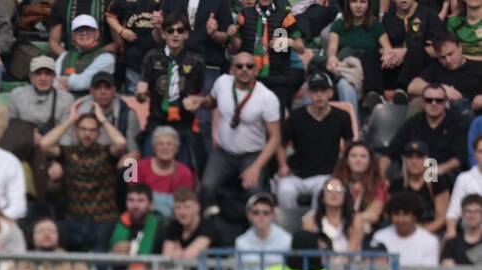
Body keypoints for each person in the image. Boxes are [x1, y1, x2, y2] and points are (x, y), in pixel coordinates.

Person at [199, 52, 281, 213]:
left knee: (255, 195)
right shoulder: (222, 82)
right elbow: (212, 102)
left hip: (252, 155)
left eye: (250, 66)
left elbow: (275, 138)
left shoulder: (267, 97)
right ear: (232, 70)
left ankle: (258, 233)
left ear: (256, 71)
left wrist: (257, 167)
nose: (244, 70)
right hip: (223, 152)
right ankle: (208, 225)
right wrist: (200, 102)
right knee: (206, 187)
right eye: (239, 66)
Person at [41, 96, 126, 251]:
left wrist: (103, 120)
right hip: (74, 221)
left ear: (98, 134)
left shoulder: (107, 152)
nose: (87, 134)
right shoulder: (67, 152)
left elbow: (121, 143)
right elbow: (45, 144)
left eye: (92, 130)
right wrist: (71, 120)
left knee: (100, 267)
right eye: (83, 129)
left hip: (104, 221)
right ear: (76, 132)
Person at [136, 13, 204, 170]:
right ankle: (135, 189)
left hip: (183, 126)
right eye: (170, 30)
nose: (175, 34)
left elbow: (200, 94)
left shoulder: (196, 62)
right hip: (157, 123)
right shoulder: (152, 57)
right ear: (163, 34)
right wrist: (140, 94)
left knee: (187, 171)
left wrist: (196, 101)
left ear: (186, 34)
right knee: (141, 168)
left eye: (180, 31)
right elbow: (141, 96)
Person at [274, 71, 351, 209]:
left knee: (324, 192)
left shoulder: (342, 117)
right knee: (284, 191)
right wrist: (283, 165)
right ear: (309, 94)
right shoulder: (296, 116)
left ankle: (315, 228)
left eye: (323, 90)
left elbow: (349, 144)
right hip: (296, 174)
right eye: (315, 91)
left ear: (330, 93)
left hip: (326, 175)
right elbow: (281, 144)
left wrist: (343, 168)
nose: (319, 95)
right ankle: (289, 227)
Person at [0, 55, 73, 181]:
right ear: (31, 77)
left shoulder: (65, 99)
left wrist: (57, 159)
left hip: (50, 150)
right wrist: (29, 135)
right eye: (38, 74)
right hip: (21, 146)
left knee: (51, 171)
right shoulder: (18, 95)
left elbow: (67, 137)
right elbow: (10, 128)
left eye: (47, 74)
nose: (43, 78)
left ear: (54, 76)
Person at [380, 82, 468, 185]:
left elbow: (459, 158)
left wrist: (436, 171)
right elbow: (390, 151)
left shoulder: (458, 122)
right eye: (429, 100)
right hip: (414, 172)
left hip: (444, 173)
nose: (433, 103)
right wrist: (380, 177)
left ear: (446, 102)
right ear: (422, 102)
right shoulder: (413, 122)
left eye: (439, 100)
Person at [325, 0, 394, 111]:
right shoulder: (338, 25)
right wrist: (332, 56)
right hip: (347, 67)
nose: (358, 6)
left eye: (363, 2)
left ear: (368, 5)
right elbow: (332, 47)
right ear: (348, 4)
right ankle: (353, 124)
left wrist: (384, 52)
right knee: (343, 84)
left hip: (369, 70)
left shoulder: (376, 26)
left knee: (346, 83)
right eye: (353, 2)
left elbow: (388, 50)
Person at [407, 33, 482, 113]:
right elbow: (412, 87)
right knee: (417, 102)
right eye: (443, 57)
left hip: (471, 113)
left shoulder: (478, 67)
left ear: (459, 47)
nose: (448, 60)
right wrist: (441, 89)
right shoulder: (436, 68)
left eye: (451, 54)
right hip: (442, 113)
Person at [382, 0, 443, 98]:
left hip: (422, 68)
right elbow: (380, 47)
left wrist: (406, 52)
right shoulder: (388, 18)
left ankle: (402, 92)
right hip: (394, 65)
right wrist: (389, 53)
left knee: (415, 50)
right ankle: (374, 93)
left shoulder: (429, 14)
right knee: (370, 55)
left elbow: (439, 49)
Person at [134, 125, 195, 216]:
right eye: (160, 144)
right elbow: (133, 196)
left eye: (169, 144)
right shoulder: (139, 167)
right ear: (154, 148)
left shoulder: (184, 173)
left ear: (176, 148)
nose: (165, 148)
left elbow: (185, 203)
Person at [333, 139, 387, 234]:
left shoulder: (379, 184)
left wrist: (352, 220)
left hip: (367, 231)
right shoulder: (336, 182)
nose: (358, 160)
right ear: (346, 160)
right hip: (337, 227)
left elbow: (373, 214)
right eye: (353, 156)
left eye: (363, 156)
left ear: (370, 161)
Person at [107, 0, 161, 94]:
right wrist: (121, 31)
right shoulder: (125, 2)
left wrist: (160, 23)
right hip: (132, 56)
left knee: (155, 93)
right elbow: (110, 15)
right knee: (134, 92)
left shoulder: (158, 2)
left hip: (155, 57)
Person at [55, 14, 115, 95]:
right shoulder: (64, 56)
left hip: (91, 104)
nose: (84, 33)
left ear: (97, 34)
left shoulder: (106, 58)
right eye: (79, 30)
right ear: (73, 35)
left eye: (89, 29)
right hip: (63, 101)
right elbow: (53, 81)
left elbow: (83, 83)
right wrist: (57, 84)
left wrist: (63, 81)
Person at [395, 140, 447, 233]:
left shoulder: (437, 182)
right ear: (404, 160)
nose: (414, 162)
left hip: (431, 232)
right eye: (410, 157)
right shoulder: (397, 184)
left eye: (419, 157)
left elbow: (441, 219)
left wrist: (419, 236)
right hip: (402, 232)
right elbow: (391, 215)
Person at [301, 175, 363, 250]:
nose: (334, 194)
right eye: (329, 190)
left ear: (345, 197)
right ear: (322, 197)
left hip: (349, 261)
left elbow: (351, 253)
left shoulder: (355, 219)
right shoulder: (311, 220)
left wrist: (335, 261)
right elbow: (309, 251)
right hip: (321, 261)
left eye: (339, 190)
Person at [234, 190, 293, 269]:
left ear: (273, 215)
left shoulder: (286, 240)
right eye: (256, 212)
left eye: (266, 213)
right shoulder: (241, 242)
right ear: (249, 215)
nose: (261, 217)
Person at [109, 181, 164, 258]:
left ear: (151, 205)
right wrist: (114, 252)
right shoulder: (115, 224)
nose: (135, 205)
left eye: (140, 200)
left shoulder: (161, 228)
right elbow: (100, 255)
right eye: (131, 200)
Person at [160, 186, 213, 258]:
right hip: (179, 269)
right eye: (178, 208)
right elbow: (166, 257)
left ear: (197, 207)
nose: (182, 213)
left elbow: (189, 257)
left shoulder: (208, 226)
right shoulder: (173, 226)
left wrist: (177, 254)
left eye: (187, 207)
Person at [446, 136, 482, 237]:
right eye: (481, 151)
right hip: (470, 236)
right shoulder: (464, 179)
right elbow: (453, 211)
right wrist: (451, 231)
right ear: (475, 154)